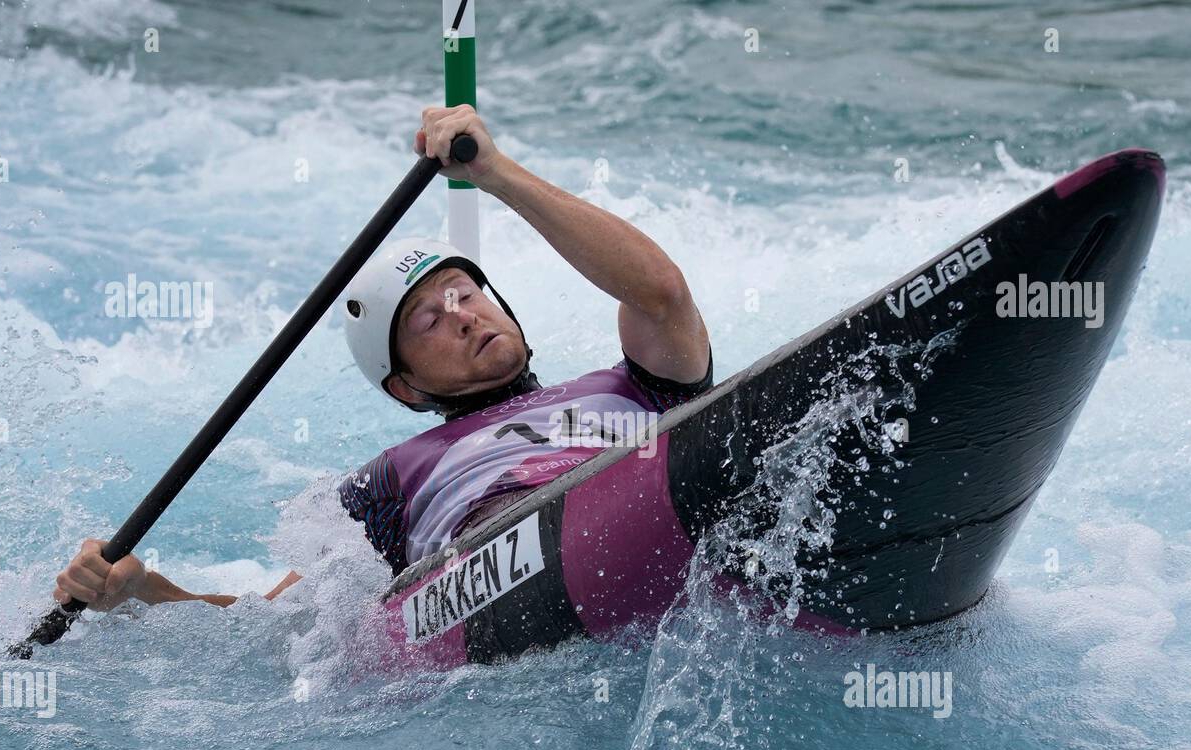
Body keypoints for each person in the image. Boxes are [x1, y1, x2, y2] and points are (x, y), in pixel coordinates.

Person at [52, 104, 712, 612]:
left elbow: (662, 294)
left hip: (654, 490)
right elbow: (281, 630)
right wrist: (140, 590)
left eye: (464, 293)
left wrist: (493, 172)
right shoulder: (387, 483)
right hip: (487, 560)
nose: (461, 313)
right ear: (405, 388)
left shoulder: (635, 386)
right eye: (429, 319)